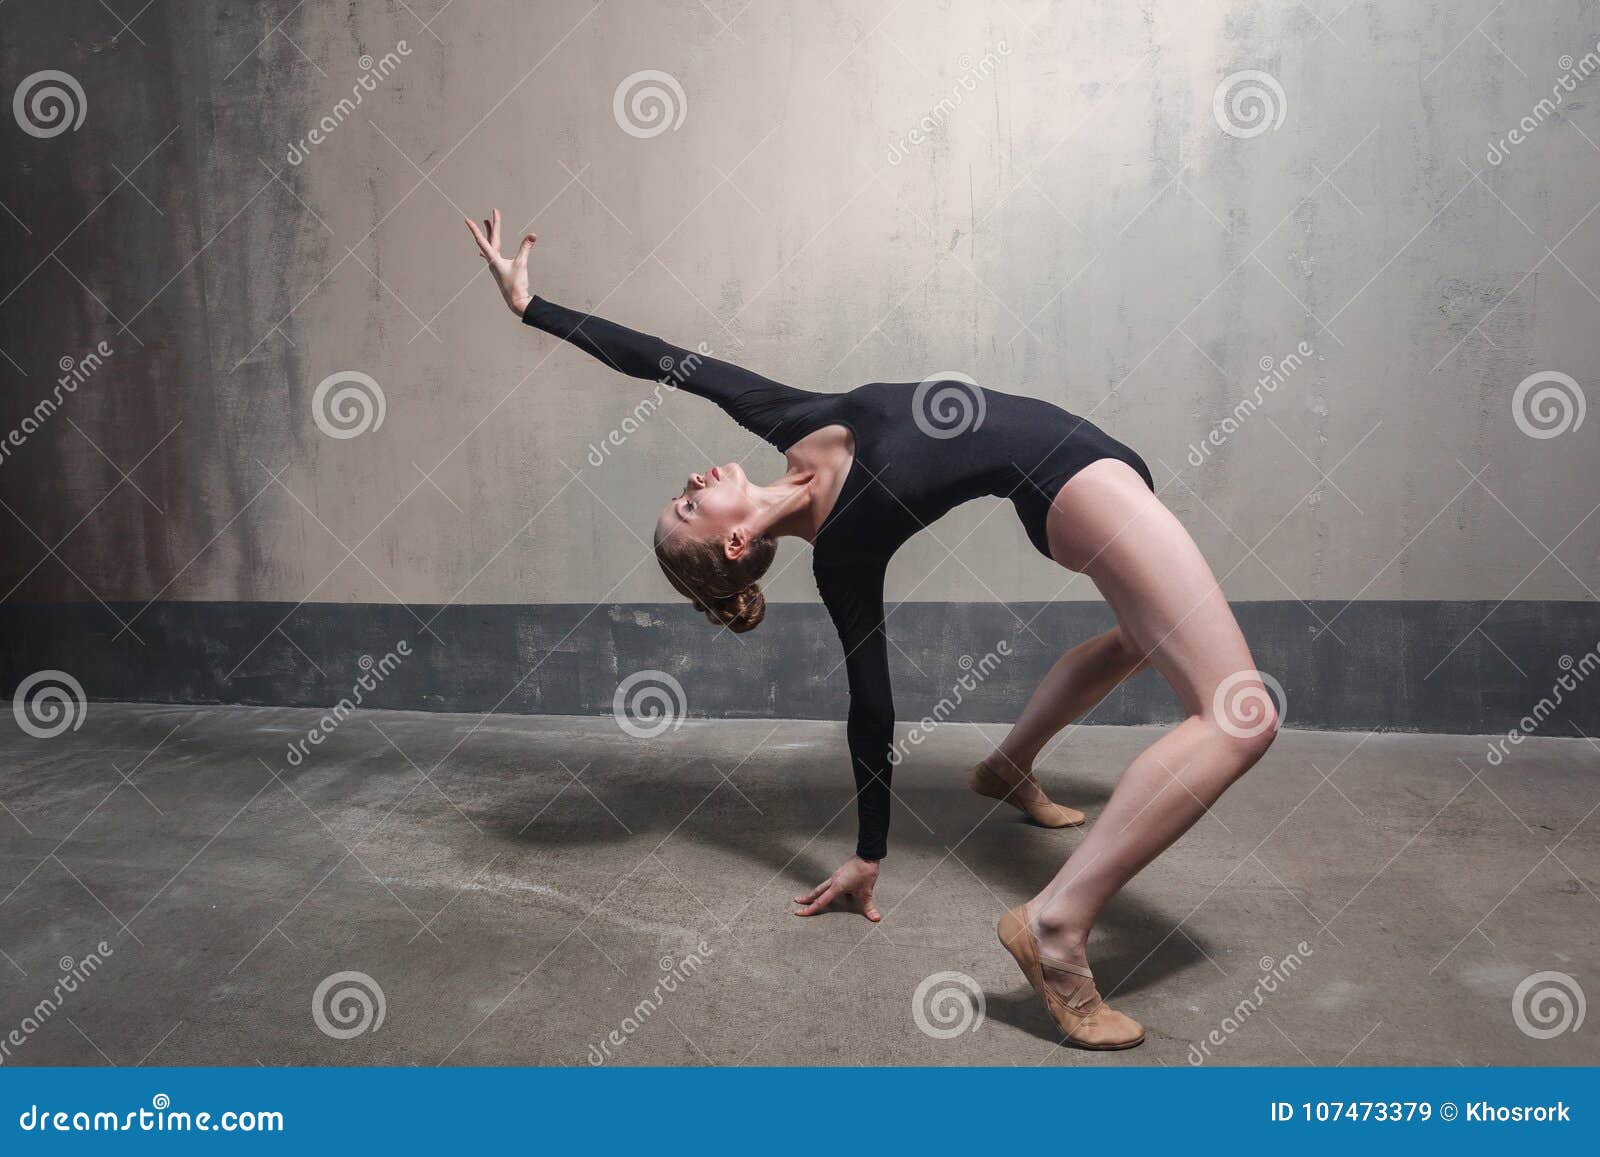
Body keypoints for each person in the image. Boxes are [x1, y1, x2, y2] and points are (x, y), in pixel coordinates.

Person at [467, 209, 1279, 1049]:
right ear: (735, 541)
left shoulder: (789, 422)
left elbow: (668, 362)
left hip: (1083, 467)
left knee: (1142, 641)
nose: (691, 479)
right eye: (688, 506)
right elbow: (872, 706)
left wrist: (533, 308)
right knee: (1239, 713)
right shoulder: (843, 550)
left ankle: (1008, 765)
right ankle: (1056, 926)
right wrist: (868, 850)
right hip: (1073, 480)